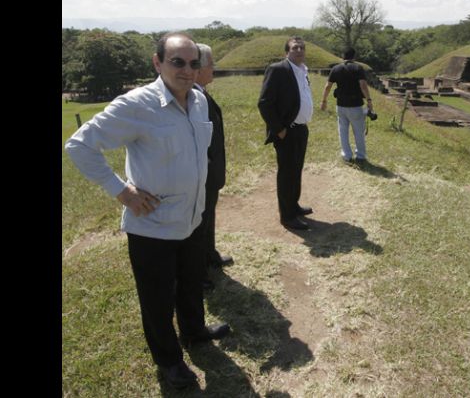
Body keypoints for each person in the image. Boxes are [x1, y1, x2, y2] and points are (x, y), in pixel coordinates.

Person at [65, 32, 231, 390]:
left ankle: (194, 331)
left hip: (193, 217)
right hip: (152, 225)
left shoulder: (199, 100)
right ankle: (169, 362)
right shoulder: (136, 105)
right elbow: (79, 146)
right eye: (177, 62)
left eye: (193, 63)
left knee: (190, 283)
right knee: (157, 299)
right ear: (157, 63)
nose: (187, 70)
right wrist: (121, 191)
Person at [257, 36, 314, 231]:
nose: (299, 50)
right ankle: (287, 216)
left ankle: (294, 205)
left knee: (296, 170)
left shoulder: (303, 70)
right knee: (287, 173)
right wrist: (279, 129)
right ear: (286, 52)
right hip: (287, 131)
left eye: (302, 47)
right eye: (295, 48)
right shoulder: (278, 69)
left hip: (301, 129)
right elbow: (264, 103)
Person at [193, 44, 233, 292]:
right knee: (199, 223)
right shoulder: (192, 98)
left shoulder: (201, 92)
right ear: (198, 68)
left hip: (211, 173)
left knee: (208, 218)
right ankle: (197, 272)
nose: (214, 69)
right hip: (202, 174)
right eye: (211, 65)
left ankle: (209, 256)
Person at [321, 48, 373, 162]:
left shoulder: (336, 69)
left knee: (343, 131)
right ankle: (360, 156)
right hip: (356, 105)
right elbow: (363, 85)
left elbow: (328, 86)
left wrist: (323, 101)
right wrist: (369, 100)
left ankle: (346, 155)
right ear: (354, 57)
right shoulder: (358, 68)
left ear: (342, 56)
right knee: (359, 132)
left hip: (341, 105)